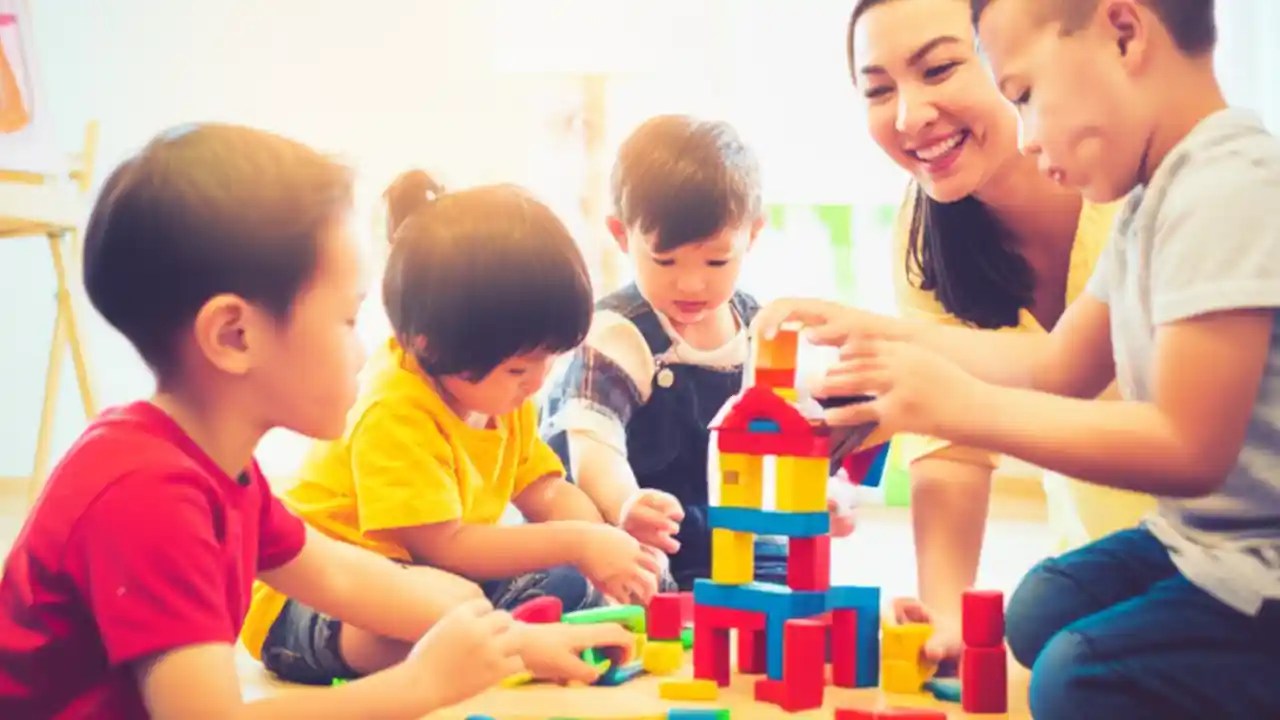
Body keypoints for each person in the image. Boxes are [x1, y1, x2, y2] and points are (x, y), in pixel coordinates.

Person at [759, 0, 1280, 715]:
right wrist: (882, 338)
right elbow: (1061, 368)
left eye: (1026, 97)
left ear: (1124, 36)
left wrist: (956, 401)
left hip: (1261, 561)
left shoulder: (1224, 188)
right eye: (878, 88)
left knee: (1074, 678)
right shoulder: (1149, 199)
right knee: (1037, 612)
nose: (1030, 140)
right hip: (1201, 541)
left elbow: (1191, 448)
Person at [0, 124, 538, 719]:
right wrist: (421, 685)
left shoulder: (216, 470)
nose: (364, 352)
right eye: (346, 319)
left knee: (450, 594)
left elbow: (341, 577)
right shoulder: (147, 495)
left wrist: (517, 642)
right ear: (235, 335)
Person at [241, 170, 658, 686]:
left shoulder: (505, 395)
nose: (536, 383)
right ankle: (506, 643)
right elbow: (444, 545)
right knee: (439, 612)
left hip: (431, 584)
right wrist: (576, 541)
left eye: (549, 360)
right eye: (519, 368)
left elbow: (545, 490)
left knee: (559, 583)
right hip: (312, 602)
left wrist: (603, 541)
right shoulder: (394, 409)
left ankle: (507, 635)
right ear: (431, 347)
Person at [845, 0, 1153, 667]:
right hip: (1107, 561)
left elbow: (1092, 370)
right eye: (878, 90)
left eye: (941, 68)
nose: (908, 116)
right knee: (1045, 625)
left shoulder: (1140, 187)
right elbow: (951, 444)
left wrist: (890, 345)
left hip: (1226, 539)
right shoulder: (927, 231)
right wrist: (948, 610)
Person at [540, 114, 857, 591]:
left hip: (725, 530)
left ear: (752, 234)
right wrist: (626, 503)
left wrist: (826, 494)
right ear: (622, 235)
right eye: (664, 261)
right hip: (622, 525)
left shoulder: (762, 331)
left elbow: (792, 436)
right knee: (588, 585)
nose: (691, 283)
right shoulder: (618, 333)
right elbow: (593, 448)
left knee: (798, 587)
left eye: (716, 260)